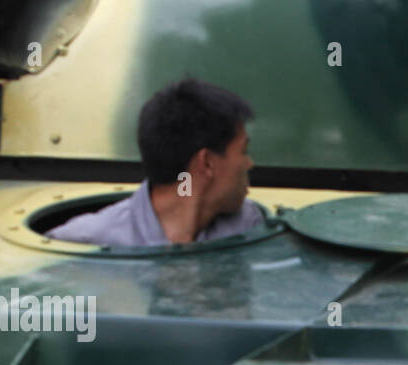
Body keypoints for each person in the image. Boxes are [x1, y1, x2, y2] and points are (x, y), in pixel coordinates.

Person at [48, 78, 263, 247]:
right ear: (207, 163)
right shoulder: (82, 243)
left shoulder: (250, 225)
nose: (249, 164)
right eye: (243, 151)